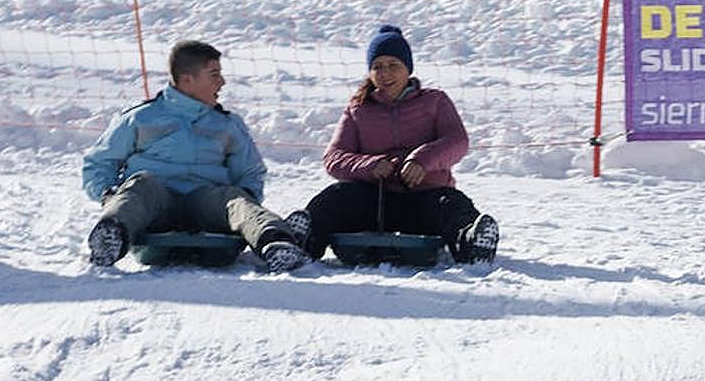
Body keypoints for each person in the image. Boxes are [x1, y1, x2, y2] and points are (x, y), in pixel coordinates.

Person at [81, 39, 308, 272]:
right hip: (154, 206)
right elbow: (99, 163)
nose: (222, 82)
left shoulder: (227, 124)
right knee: (140, 185)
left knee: (234, 198)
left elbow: (250, 171)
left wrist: (246, 196)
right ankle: (110, 237)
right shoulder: (141, 118)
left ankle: (277, 241)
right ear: (188, 80)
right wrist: (109, 195)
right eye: (214, 74)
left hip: (207, 202)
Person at [298, 25, 499, 263]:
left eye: (393, 65)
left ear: (408, 69)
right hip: (375, 201)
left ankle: (471, 241)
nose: (385, 73)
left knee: (452, 205)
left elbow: (457, 140)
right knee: (337, 197)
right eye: (377, 67)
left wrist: (422, 161)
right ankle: (303, 239)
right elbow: (334, 157)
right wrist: (370, 165)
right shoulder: (358, 109)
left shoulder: (435, 101)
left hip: (425, 195)